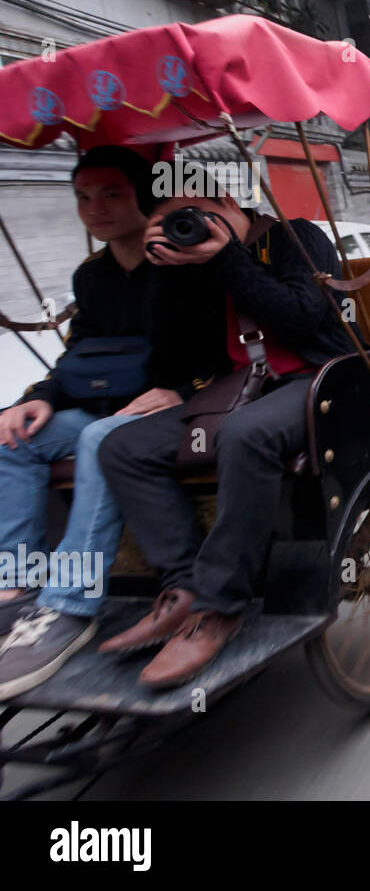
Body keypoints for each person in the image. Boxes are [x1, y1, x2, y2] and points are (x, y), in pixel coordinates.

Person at [94, 194, 350, 689]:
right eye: (173, 222)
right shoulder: (190, 263)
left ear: (228, 202)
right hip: (231, 389)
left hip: (311, 380)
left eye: (194, 215)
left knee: (245, 433)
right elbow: (169, 360)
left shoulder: (296, 237)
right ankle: (185, 587)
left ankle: (220, 607)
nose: (188, 228)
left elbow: (301, 315)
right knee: (121, 447)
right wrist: (164, 269)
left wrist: (227, 257)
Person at [0, 146, 169, 700]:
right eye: (82, 197)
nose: (94, 208)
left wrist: (173, 390)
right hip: (100, 408)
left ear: (144, 195)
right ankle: (16, 581)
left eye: (111, 194)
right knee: (13, 437)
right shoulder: (91, 275)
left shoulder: (179, 262)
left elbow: (212, 351)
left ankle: (70, 604)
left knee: (101, 438)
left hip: (175, 409)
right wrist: (40, 397)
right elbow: (82, 352)